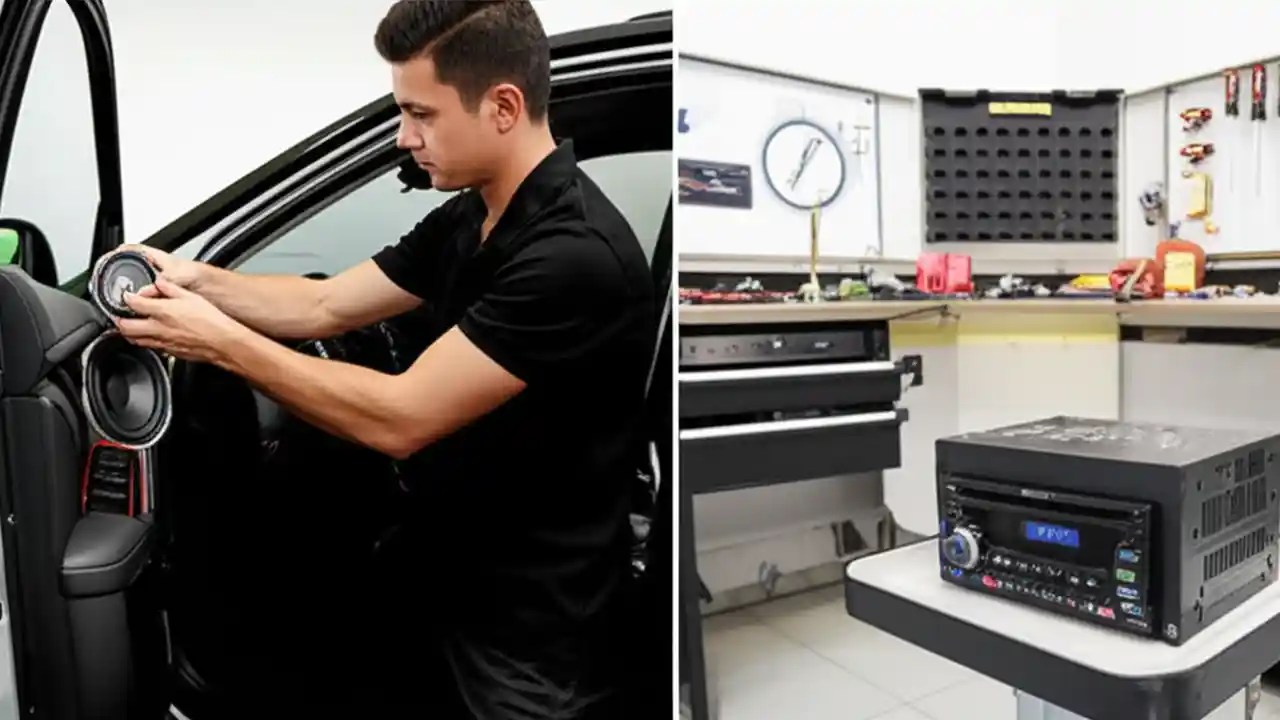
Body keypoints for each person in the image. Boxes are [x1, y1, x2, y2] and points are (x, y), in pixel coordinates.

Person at [111, 1, 657, 717]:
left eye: (421, 114)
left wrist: (217, 342)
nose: (405, 137)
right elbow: (324, 307)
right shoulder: (477, 215)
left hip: (530, 642)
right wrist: (192, 279)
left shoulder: (572, 258)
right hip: (452, 573)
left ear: (501, 106)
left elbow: (401, 417)